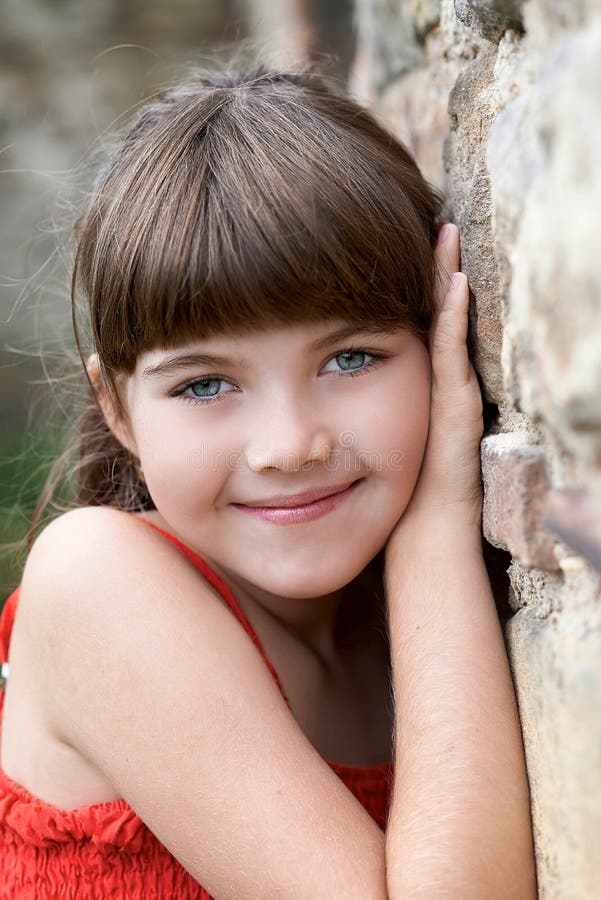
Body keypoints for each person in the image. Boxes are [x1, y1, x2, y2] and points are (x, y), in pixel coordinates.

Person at [0, 65, 537, 898]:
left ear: (441, 348)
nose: (287, 446)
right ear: (120, 409)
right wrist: (435, 527)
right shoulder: (95, 582)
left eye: (349, 357)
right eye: (203, 385)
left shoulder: (398, 634)